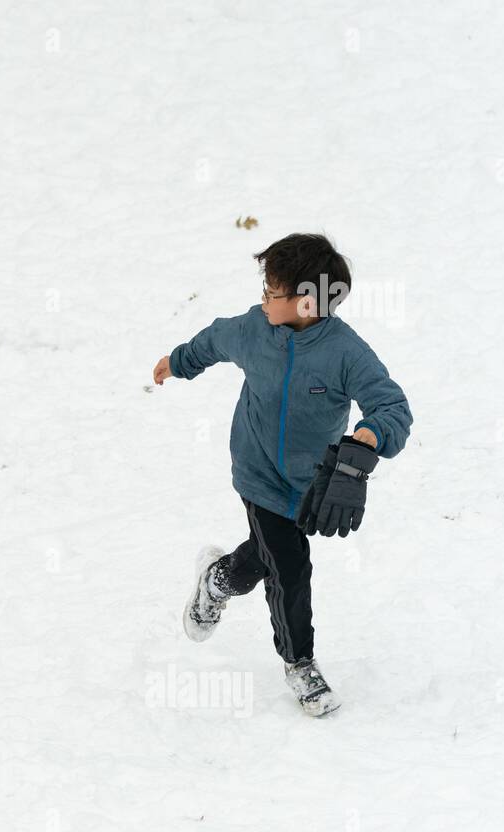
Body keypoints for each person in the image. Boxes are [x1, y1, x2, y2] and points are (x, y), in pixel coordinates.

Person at [152, 233, 412, 716]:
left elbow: (391, 404)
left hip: (313, 481)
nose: (264, 300)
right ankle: (300, 663)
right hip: (257, 473)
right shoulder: (254, 330)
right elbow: (213, 338)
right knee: (291, 568)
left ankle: (219, 579)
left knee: (271, 556)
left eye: (273, 293)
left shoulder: (345, 352)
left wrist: (370, 437)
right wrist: (181, 361)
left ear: (308, 301)